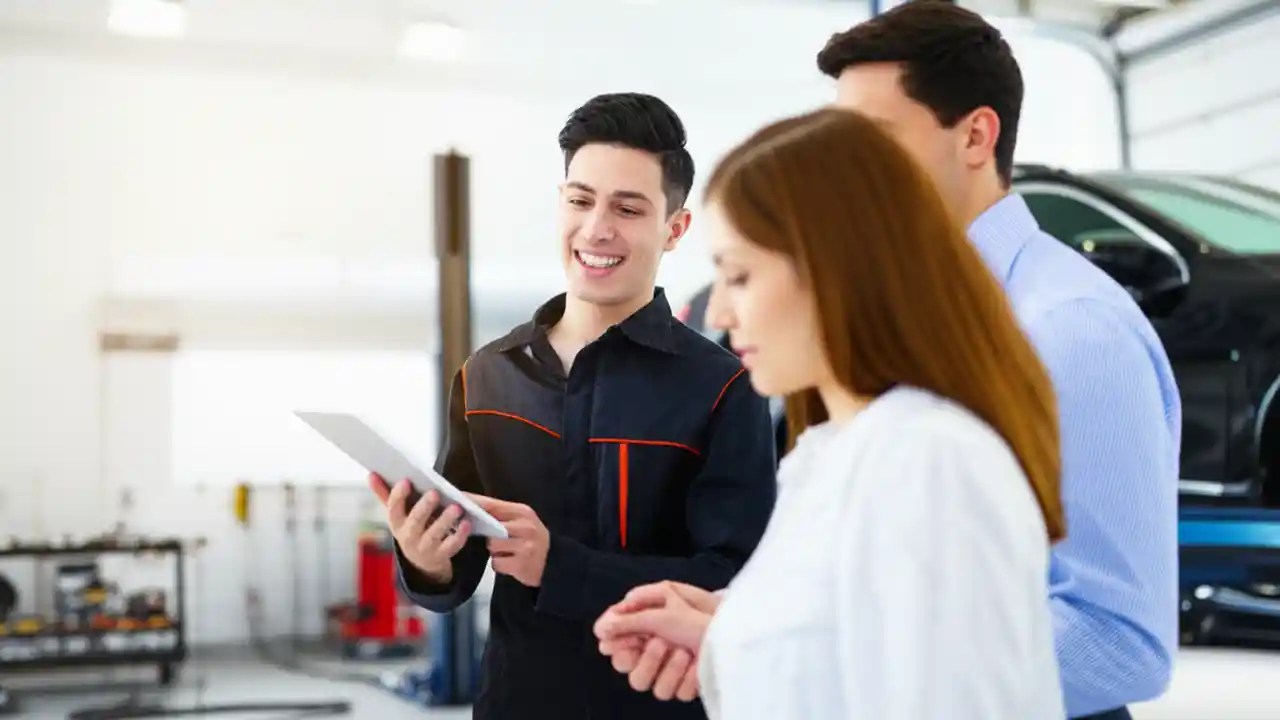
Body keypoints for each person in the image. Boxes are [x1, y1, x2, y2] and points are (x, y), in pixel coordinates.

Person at [595, 107, 1067, 718]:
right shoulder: (828, 455)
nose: (719, 317)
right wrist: (734, 633)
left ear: (835, 268)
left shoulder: (928, 462)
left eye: (739, 276)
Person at [815, 4, 1182, 719]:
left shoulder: (1073, 331)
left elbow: (1117, 640)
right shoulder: (905, 319)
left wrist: (865, 673)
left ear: (976, 135)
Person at [368, 92, 777, 720]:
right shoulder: (487, 375)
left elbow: (733, 581)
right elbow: (456, 574)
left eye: (628, 208)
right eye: (580, 201)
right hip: (515, 701)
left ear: (676, 228)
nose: (596, 229)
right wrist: (425, 558)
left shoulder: (724, 386)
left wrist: (561, 567)